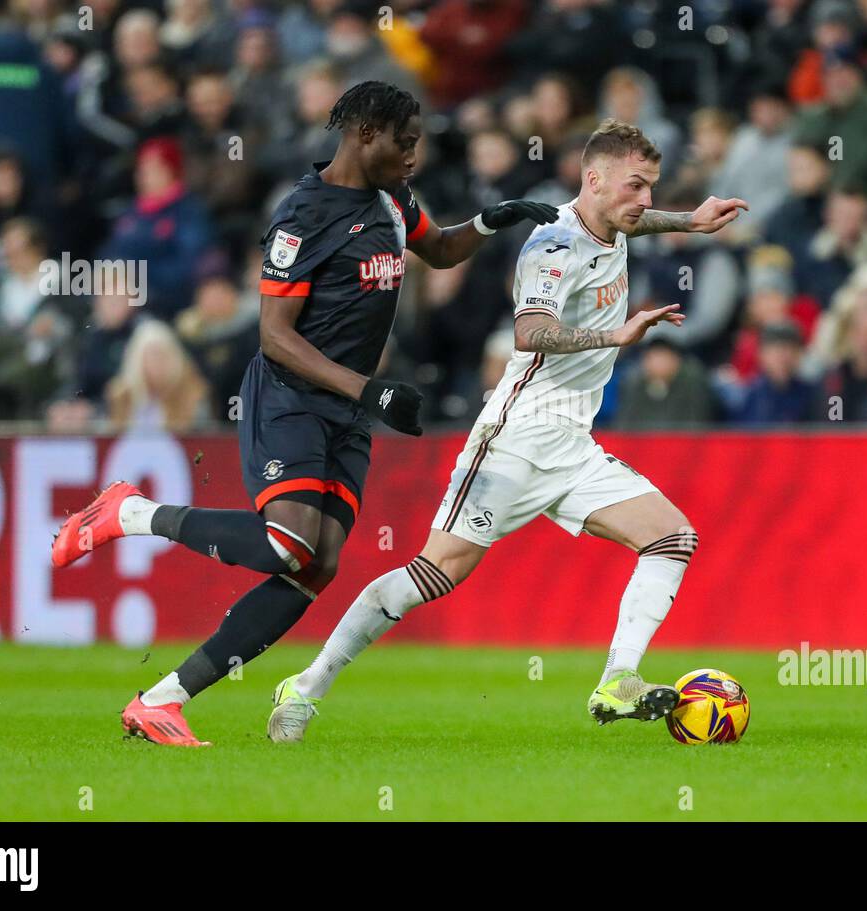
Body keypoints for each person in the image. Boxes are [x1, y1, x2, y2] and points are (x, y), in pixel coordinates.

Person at [48, 81, 561, 747]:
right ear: (366, 134)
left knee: (314, 564)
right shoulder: (303, 216)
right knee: (286, 543)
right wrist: (370, 391)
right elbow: (275, 335)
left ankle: (162, 699)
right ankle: (130, 512)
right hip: (291, 395)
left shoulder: (391, 198)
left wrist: (495, 219)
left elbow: (438, 250)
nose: (414, 155)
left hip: (345, 408)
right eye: (405, 142)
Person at [267, 119, 748, 742]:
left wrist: (689, 220)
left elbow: (634, 222)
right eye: (637, 186)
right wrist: (617, 333)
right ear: (594, 179)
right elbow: (530, 332)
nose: (646, 201)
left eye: (651, 187)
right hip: (516, 437)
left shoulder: (613, 221)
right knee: (433, 575)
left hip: (573, 446)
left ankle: (616, 682)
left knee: (672, 538)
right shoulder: (553, 247)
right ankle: (304, 687)